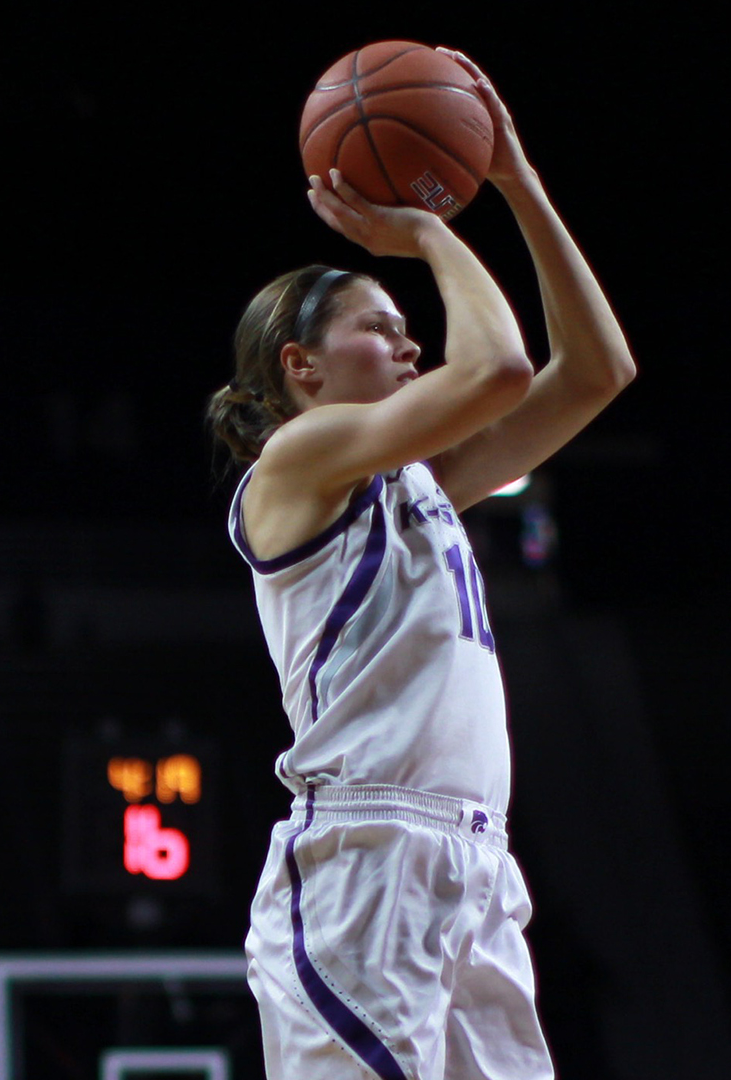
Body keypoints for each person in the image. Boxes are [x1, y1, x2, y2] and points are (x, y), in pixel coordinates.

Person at [206, 51, 634, 1080]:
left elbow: (598, 371)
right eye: (383, 330)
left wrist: (517, 184)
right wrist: (432, 230)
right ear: (299, 368)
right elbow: (496, 367)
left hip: (472, 864)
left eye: (410, 331)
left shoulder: (423, 476)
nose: (410, 348)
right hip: (365, 860)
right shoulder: (294, 462)